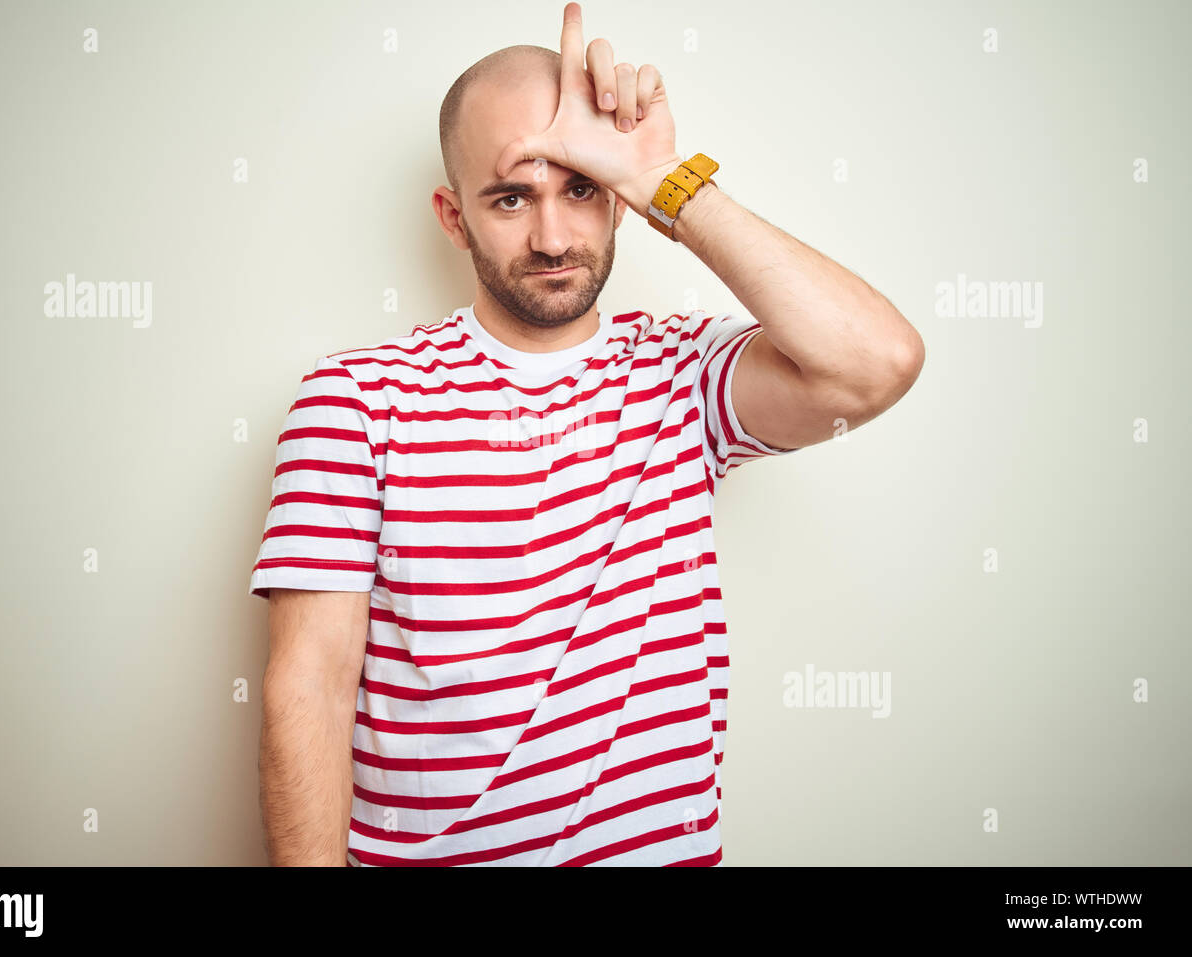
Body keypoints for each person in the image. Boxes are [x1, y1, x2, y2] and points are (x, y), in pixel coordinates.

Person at [250, 2, 924, 866]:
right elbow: (306, 689)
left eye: (580, 188)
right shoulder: (355, 399)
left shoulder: (684, 374)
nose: (553, 236)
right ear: (453, 218)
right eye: (510, 196)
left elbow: (876, 363)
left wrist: (662, 177)